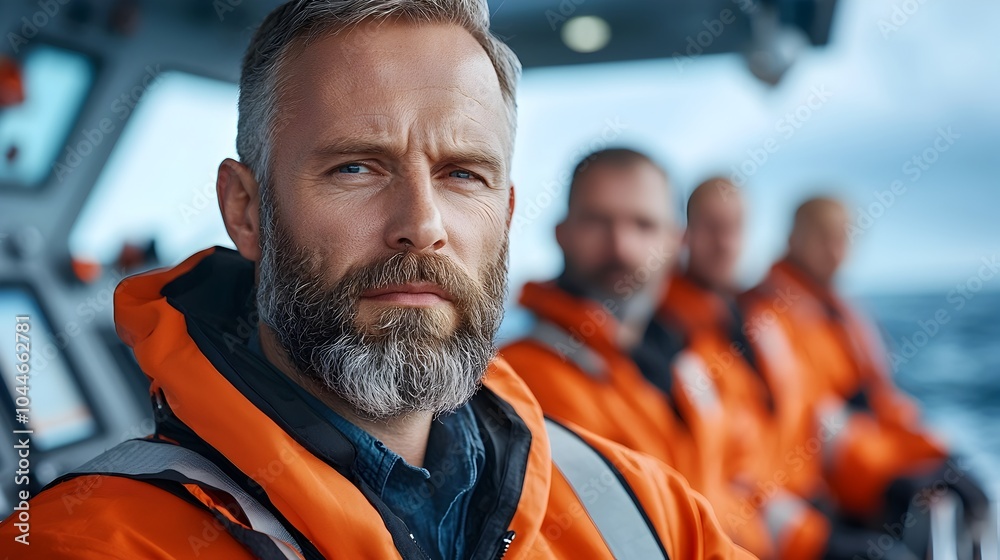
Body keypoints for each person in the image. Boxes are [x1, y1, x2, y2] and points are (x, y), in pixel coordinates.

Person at [0, 2, 756, 559]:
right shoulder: (90, 542)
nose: (422, 222)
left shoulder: (641, 506)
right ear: (246, 209)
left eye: (463, 175)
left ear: (507, 213)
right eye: (356, 167)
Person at [500, 151, 820, 559]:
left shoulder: (693, 362)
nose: (621, 246)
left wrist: (816, 540)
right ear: (562, 233)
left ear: (675, 241)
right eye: (597, 221)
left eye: (643, 224)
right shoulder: (524, 382)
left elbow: (740, 481)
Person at [741, 196, 991, 554]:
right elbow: (819, 422)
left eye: (844, 238)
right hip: (811, 496)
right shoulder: (765, 317)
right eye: (823, 236)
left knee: (960, 504)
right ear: (794, 237)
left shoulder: (844, 315)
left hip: (851, 481)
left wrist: (937, 456)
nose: (835, 250)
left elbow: (881, 403)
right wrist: (888, 478)